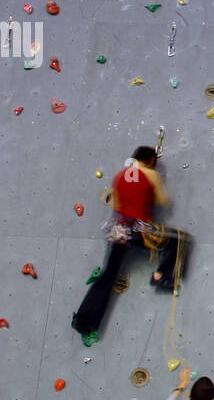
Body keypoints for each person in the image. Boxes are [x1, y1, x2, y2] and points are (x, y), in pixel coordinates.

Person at [71, 144, 191, 340]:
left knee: (108, 274)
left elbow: (118, 203)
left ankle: (84, 320)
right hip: (140, 229)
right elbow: (163, 201)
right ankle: (163, 277)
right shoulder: (151, 175)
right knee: (180, 240)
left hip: (119, 229)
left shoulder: (120, 175)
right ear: (151, 160)